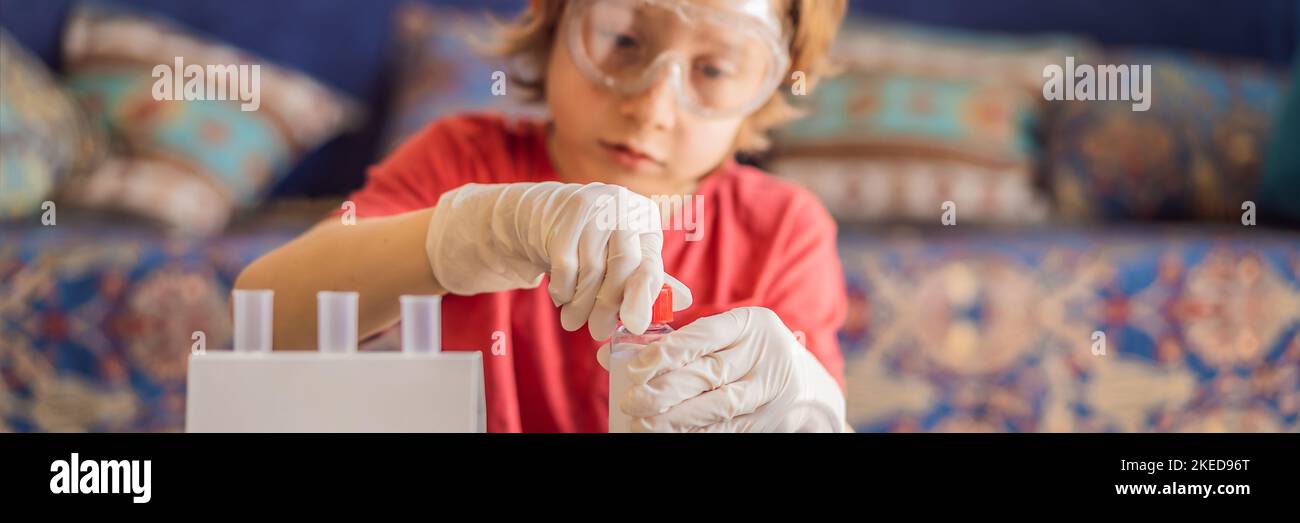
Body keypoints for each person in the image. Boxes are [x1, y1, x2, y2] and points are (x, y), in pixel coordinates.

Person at [235, 0, 850, 432]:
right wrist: (472, 233)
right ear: (555, 25)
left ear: (765, 91)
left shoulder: (783, 229)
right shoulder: (463, 158)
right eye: (623, 41)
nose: (651, 107)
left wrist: (805, 412)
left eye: (713, 70)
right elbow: (266, 314)